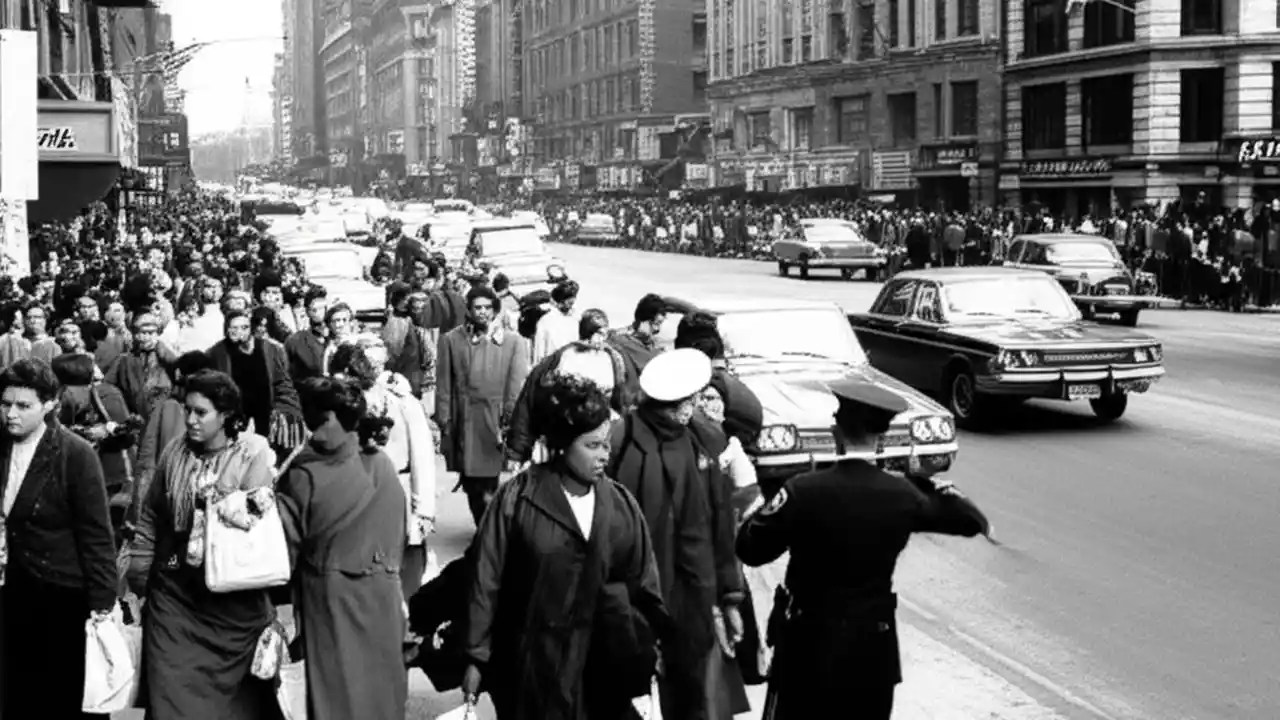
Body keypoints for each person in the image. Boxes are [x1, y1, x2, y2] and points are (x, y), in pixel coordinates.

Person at [736, 378, 992, 720]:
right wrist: (926, 485)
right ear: (883, 435)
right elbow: (970, 521)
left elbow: (751, 549)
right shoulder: (904, 495)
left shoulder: (803, 490)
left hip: (808, 643)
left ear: (836, 431)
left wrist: (756, 500)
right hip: (872, 649)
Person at [462, 376, 670, 720]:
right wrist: (476, 656)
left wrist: (648, 651)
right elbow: (486, 580)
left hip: (604, 671)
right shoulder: (517, 499)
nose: (604, 455)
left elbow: (645, 586)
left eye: (606, 444)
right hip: (532, 669)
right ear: (562, 444)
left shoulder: (620, 505)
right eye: (592, 446)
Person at [125, 370, 282, 719]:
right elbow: (152, 511)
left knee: (238, 703)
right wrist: (139, 563)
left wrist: (226, 504)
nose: (191, 420)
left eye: (201, 413)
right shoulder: (175, 453)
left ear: (225, 414)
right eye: (188, 411)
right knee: (170, 693)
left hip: (232, 596)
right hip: (175, 595)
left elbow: (257, 523)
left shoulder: (252, 453)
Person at [608, 348, 743, 720]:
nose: (696, 407)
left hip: (694, 594)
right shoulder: (624, 440)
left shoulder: (703, 441)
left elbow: (720, 525)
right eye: (692, 400)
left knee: (693, 693)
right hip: (638, 596)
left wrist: (729, 597)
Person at [276, 376, 408, 720]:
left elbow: (284, 552)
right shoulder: (382, 464)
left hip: (330, 600)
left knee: (336, 696)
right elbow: (398, 532)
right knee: (381, 696)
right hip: (382, 596)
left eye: (316, 421)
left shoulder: (302, 475)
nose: (313, 430)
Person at [0, 358, 119, 720]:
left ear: (49, 404)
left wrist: (102, 602)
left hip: (62, 592)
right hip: (13, 587)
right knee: (15, 692)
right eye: (5, 404)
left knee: (59, 693)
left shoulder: (74, 454)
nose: (11, 414)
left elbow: (97, 533)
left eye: (23, 406)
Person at [331, 338, 436, 600]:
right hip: (355, 499)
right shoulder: (342, 407)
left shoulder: (401, 401)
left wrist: (423, 510)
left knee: (402, 573)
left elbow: (421, 456)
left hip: (397, 490)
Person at [436, 285, 530, 525]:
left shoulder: (513, 342)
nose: (482, 312)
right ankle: (484, 525)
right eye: (477, 307)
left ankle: (489, 529)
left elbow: (516, 387)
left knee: (490, 482)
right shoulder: (451, 340)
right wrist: (444, 420)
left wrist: (511, 421)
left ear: (495, 310)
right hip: (464, 420)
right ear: (468, 310)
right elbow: (444, 384)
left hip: (494, 422)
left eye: (487, 307)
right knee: (470, 482)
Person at [506, 308, 627, 466]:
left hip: (599, 442)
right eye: (597, 332)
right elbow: (529, 404)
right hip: (561, 443)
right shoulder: (560, 360)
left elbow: (619, 404)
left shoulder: (613, 361)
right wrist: (518, 450)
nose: (600, 338)